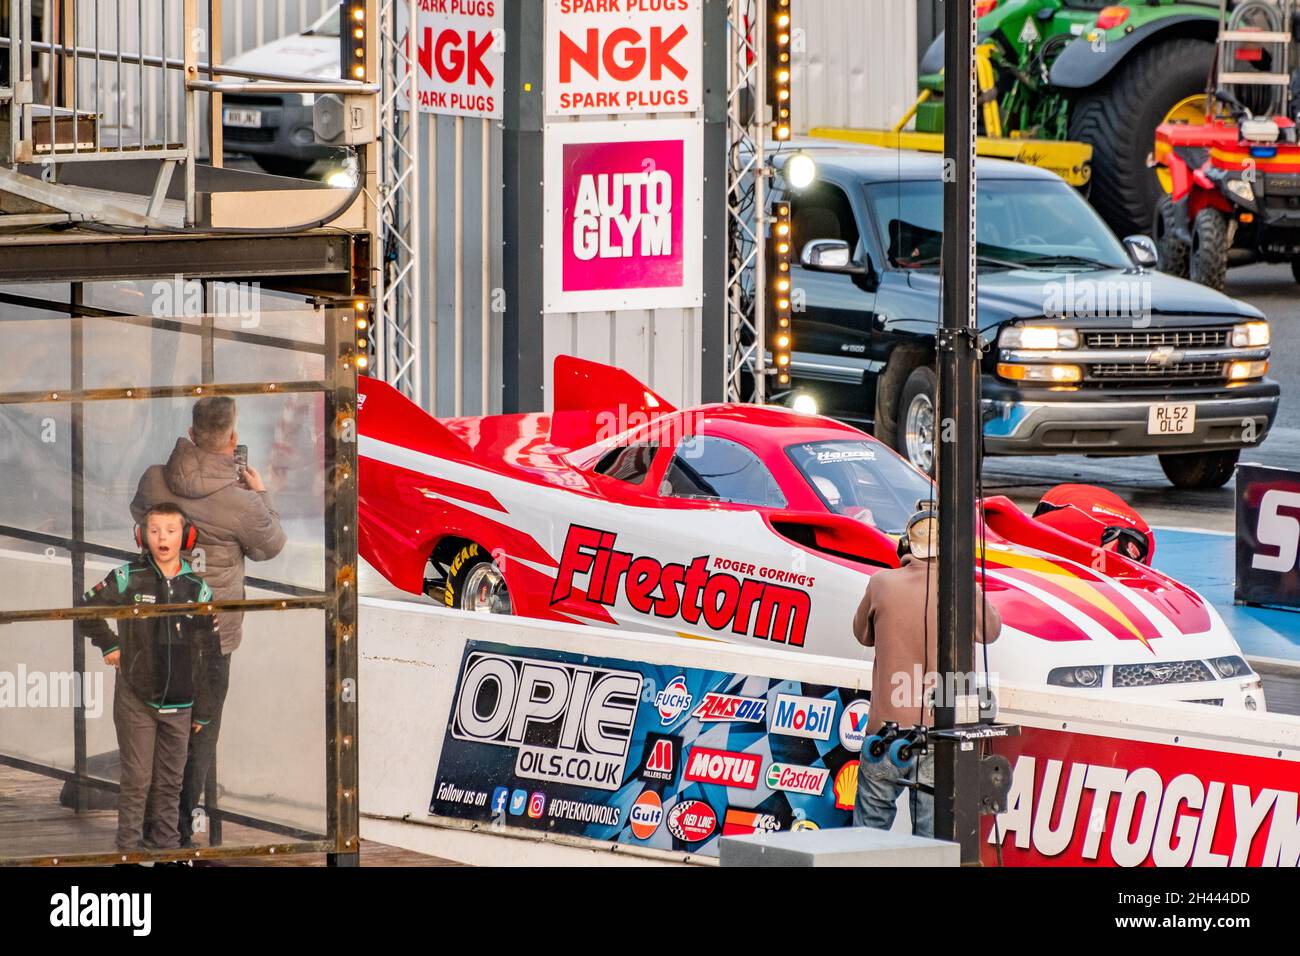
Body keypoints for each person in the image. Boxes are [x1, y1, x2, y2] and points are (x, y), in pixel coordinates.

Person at [130, 397, 286, 847]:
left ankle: (148, 824)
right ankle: (174, 831)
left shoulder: (155, 479)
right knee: (198, 733)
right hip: (211, 637)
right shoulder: (241, 501)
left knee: (152, 725)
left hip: (155, 625)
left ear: (192, 433)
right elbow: (271, 544)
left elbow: (141, 522)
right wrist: (260, 494)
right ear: (232, 440)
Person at [850, 511, 1002, 837]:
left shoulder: (881, 584)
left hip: (885, 735)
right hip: (938, 734)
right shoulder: (959, 589)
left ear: (906, 545)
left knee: (865, 838)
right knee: (930, 844)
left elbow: (862, 634)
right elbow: (991, 631)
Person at [82, 503, 220, 854]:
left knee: (170, 785)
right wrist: (109, 642)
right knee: (137, 781)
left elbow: (210, 657)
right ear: (142, 536)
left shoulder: (198, 589)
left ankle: (167, 853)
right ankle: (127, 852)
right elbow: (85, 608)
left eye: (171, 531)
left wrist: (203, 710)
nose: (163, 537)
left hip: (182, 702)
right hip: (135, 698)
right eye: (155, 530)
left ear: (185, 537)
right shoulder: (128, 577)